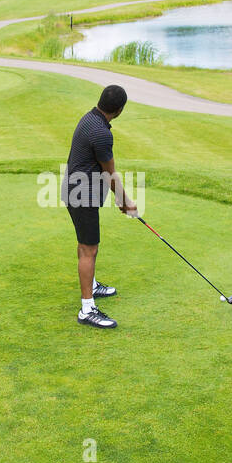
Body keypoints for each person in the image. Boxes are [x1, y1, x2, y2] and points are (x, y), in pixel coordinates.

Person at [62, 85, 137, 329]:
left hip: (77, 190)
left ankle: (92, 285)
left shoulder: (89, 118)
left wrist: (121, 201)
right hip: (82, 195)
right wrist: (125, 202)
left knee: (86, 245)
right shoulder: (102, 134)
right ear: (119, 110)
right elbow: (111, 173)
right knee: (88, 249)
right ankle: (87, 309)